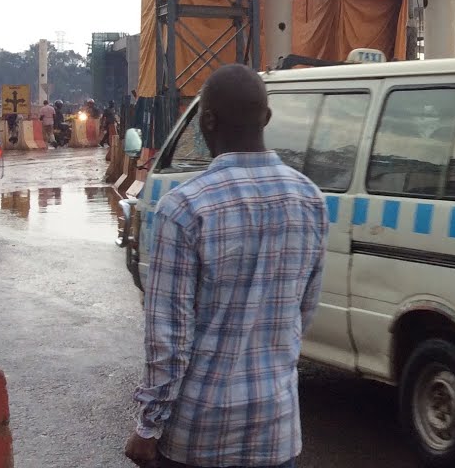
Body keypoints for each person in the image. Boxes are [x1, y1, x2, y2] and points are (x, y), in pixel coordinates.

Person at [125, 64, 326, 468]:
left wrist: (149, 426)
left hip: (200, 435)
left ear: (207, 121)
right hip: (277, 429)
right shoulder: (310, 199)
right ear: (266, 118)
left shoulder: (184, 207)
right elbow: (302, 314)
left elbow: (170, 338)